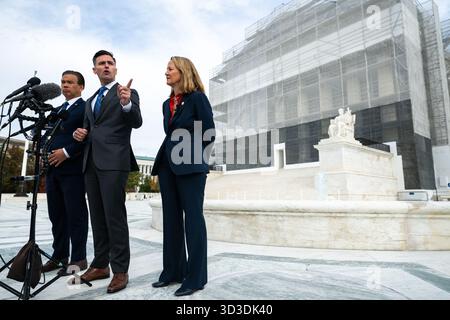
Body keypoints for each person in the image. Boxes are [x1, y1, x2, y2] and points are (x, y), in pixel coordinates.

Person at [73, 50, 142, 294]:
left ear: (116, 68)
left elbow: (136, 121)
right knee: (98, 217)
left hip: (114, 162)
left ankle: (120, 270)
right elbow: (90, 128)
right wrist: (79, 134)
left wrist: (126, 104)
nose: (106, 66)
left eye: (110, 63)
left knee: (115, 217)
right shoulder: (91, 99)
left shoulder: (127, 93)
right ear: (94, 70)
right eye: (101, 64)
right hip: (90, 162)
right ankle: (101, 265)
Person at [151, 56, 215, 297]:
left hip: (190, 166)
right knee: (171, 220)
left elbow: (208, 133)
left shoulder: (197, 98)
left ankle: (196, 278)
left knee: (193, 220)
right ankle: (173, 271)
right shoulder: (166, 103)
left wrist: (195, 158)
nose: (165, 72)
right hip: (168, 166)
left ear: (183, 71)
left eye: (170, 68)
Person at [42, 70, 89, 274]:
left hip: (73, 170)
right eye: (63, 82)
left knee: (75, 215)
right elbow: (47, 134)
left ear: (81, 87)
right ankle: (59, 255)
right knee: (57, 215)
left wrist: (67, 153)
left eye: (70, 82)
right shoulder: (58, 109)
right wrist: (43, 150)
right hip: (53, 170)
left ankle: (78, 258)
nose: (65, 85)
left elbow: (88, 137)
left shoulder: (85, 108)